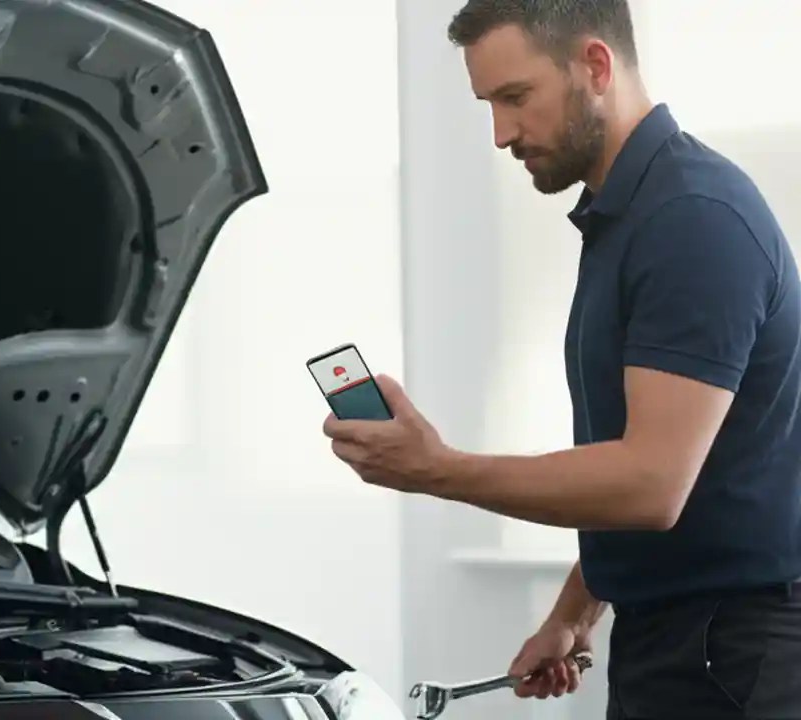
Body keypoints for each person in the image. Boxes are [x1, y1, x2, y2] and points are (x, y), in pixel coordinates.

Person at [321, 0, 801, 717]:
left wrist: (439, 470)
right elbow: (660, 468)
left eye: (516, 98)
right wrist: (574, 614)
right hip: (675, 637)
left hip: (733, 655)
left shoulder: (692, 220)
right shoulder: (631, 216)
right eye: (489, 104)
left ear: (595, 66)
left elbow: (651, 484)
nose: (501, 133)